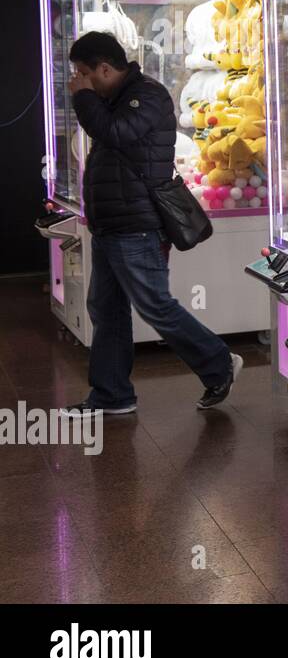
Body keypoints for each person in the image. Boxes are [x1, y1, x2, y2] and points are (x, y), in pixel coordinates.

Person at [60, 31, 242, 416]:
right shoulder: (114, 99)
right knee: (105, 309)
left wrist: (83, 99)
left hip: (137, 225)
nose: (77, 80)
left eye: (82, 73)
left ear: (104, 68)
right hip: (112, 225)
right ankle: (112, 395)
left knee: (155, 305)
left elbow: (115, 133)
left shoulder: (148, 96)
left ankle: (218, 362)